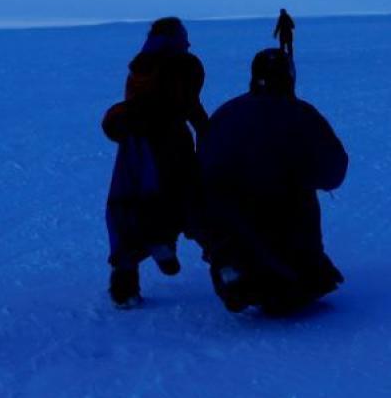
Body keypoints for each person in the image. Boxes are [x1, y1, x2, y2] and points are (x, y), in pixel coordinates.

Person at [196, 49, 348, 315]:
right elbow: (332, 170)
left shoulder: (227, 113)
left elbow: (204, 164)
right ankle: (290, 279)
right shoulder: (301, 114)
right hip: (284, 215)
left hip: (226, 216)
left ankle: (235, 269)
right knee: (301, 277)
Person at [100, 16, 208, 308]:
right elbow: (188, 104)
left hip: (134, 148)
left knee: (128, 204)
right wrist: (206, 133)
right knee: (186, 199)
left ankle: (125, 285)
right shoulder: (181, 65)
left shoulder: (140, 66)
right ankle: (225, 267)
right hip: (168, 144)